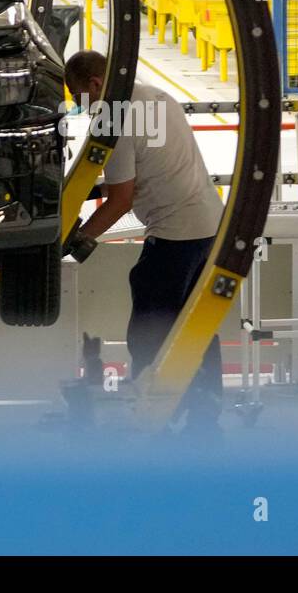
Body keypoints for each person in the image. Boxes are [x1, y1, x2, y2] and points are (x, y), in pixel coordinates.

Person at [64, 50, 225, 432]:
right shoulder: (156, 97)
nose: (77, 105)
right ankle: (205, 417)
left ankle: (155, 416)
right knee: (196, 324)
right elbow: (143, 173)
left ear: (95, 85)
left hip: (175, 234)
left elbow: (121, 201)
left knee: (148, 330)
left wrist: (78, 240)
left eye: (76, 95)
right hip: (210, 228)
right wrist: (88, 191)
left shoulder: (114, 120)